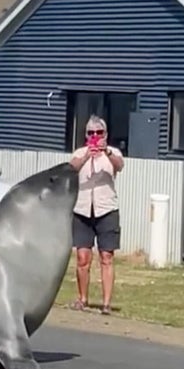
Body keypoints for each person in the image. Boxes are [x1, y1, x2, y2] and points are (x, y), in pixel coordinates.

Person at [68, 115, 124, 314]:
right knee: (83, 257)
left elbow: (119, 165)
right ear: (86, 135)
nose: (95, 137)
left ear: (106, 134)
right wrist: (86, 157)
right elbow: (71, 168)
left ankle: (106, 303)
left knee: (106, 256)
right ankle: (82, 299)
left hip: (106, 209)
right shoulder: (80, 153)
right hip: (82, 209)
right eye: (91, 133)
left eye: (99, 133)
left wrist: (105, 151)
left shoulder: (112, 153)